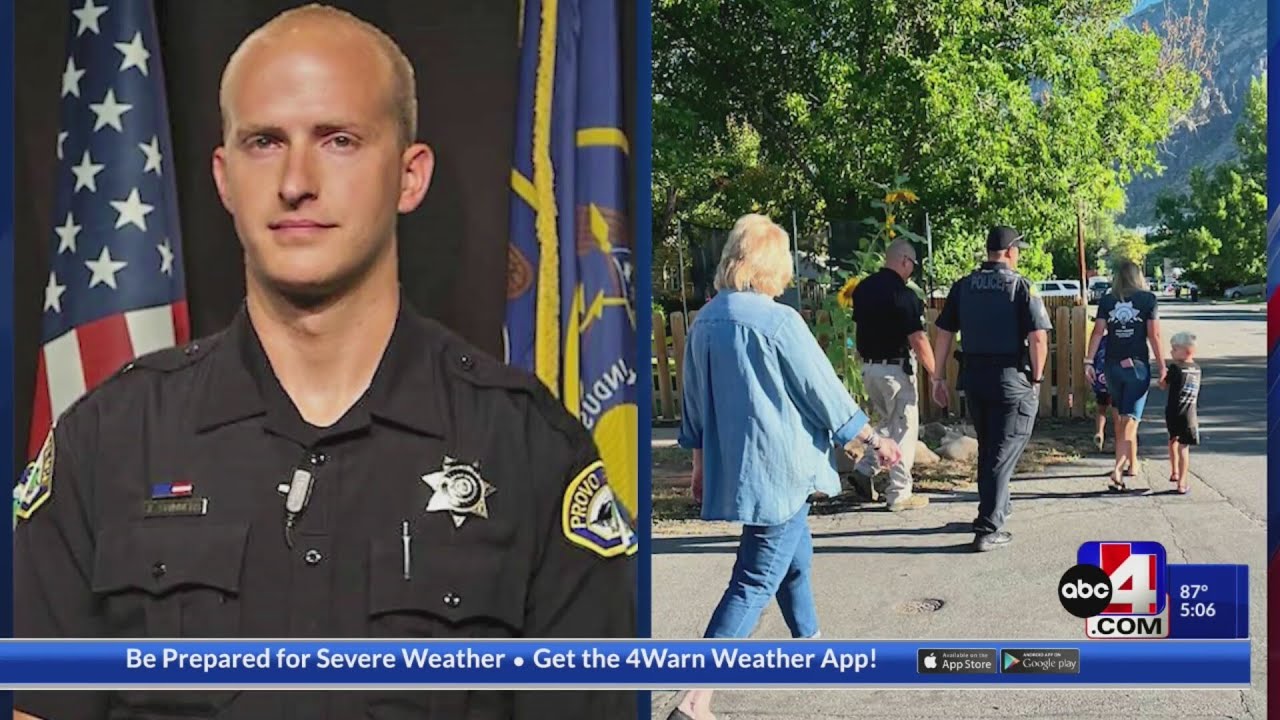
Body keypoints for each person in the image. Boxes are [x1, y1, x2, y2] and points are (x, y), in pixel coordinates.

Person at [12, 7, 635, 720]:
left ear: (409, 175)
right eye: (264, 142)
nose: (295, 180)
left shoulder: (531, 451)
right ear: (224, 177)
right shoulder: (106, 443)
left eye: (339, 140)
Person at [669, 214, 902, 720]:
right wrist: (874, 439)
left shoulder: (705, 320)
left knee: (795, 555)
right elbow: (825, 393)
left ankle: (811, 646)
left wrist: (698, 466)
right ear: (771, 266)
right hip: (780, 470)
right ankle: (694, 698)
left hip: (743, 470)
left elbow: (694, 406)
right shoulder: (779, 322)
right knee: (754, 580)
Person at [930, 226, 1050, 552]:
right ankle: (988, 528)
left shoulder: (964, 286)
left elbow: (943, 333)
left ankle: (997, 508)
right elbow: (1038, 337)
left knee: (991, 448)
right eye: (1019, 250)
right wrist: (1037, 378)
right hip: (1012, 381)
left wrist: (938, 377)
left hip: (975, 379)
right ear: (1011, 252)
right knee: (1002, 451)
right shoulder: (1022, 287)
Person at [847, 238, 937, 511]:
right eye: (912, 264)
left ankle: (864, 470)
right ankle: (899, 493)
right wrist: (936, 374)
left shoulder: (862, 289)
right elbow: (918, 339)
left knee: (887, 425)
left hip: (869, 369)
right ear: (904, 261)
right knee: (905, 430)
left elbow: (858, 328)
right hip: (895, 370)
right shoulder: (904, 295)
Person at [1084, 260, 1164, 492]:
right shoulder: (1148, 300)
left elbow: (1098, 332)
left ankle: (1133, 463)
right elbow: (1154, 335)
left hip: (1112, 366)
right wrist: (1163, 366)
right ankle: (1118, 469)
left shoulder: (1108, 300)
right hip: (1136, 366)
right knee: (1131, 420)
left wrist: (1089, 362)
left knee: (1121, 417)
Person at [1161, 331, 1201, 494]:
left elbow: (1163, 385)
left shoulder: (1175, 368)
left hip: (1173, 411)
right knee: (1184, 446)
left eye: (1175, 349)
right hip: (1189, 414)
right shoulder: (1197, 369)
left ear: (1187, 351)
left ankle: (1176, 473)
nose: (1171, 352)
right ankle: (1182, 481)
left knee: (1173, 440)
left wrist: (1163, 374)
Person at [1091, 332, 1116, 452]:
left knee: (1101, 409)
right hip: (1115, 379)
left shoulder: (1099, 341)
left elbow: (1094, 358)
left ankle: (1099, 432)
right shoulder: (1121, 341)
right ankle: (1119, 436)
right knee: (1117, 410)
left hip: (1101, 379)